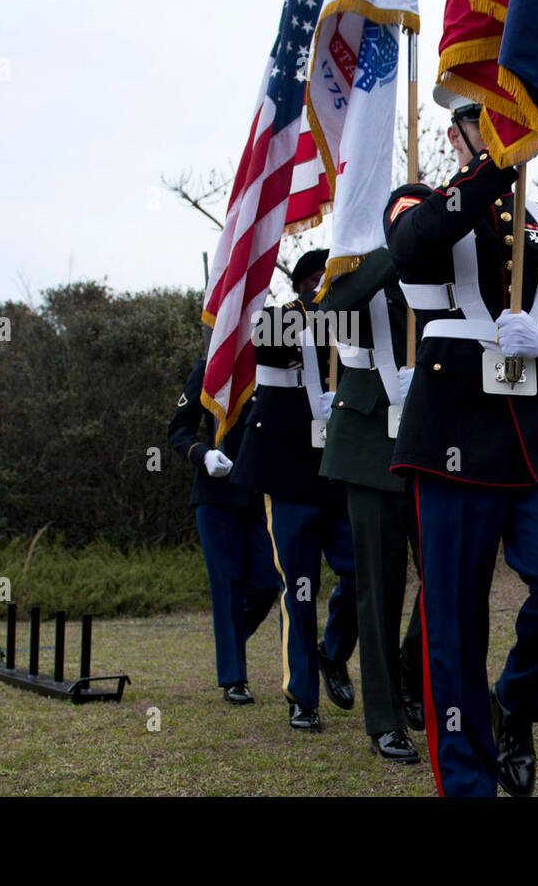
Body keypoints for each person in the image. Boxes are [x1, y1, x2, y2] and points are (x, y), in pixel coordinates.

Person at [382, 95, 538, 797]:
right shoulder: (417, 199)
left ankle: (516, 709)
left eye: (516, 117)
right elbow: (415, 244)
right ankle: (467, 782)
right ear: (457, 131)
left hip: (537, 433)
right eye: (489, 120)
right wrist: (499, 166)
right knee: (455, 619)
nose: (505, 130)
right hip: (453, 435)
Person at [230, 249, 359, 732]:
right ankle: (302, 697)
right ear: (307, 283)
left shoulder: (357, 321)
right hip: (289, 473)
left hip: (341, 470)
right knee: (298, 590)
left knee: (362, 570)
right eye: (326, 280)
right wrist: (320, 310)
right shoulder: (281, 321)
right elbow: (259, 340)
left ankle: (334, 648)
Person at [316, 246, 425, 764]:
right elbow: (326, 316)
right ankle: (385, 719)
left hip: (435, 440)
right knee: (379, 587)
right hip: (368, 443)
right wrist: (388, 253)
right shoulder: (363, 269)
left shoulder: (443, 259)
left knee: (447, 574)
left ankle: (411, 666)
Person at [167, 356, 281, 704]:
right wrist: (202, 454)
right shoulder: (211, 368)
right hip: (216, 495)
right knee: (227, 585)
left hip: (259, 493)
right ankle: (234, 678)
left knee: (266, 584)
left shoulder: (274, 367)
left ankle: (227, 641)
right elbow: (178, 428)